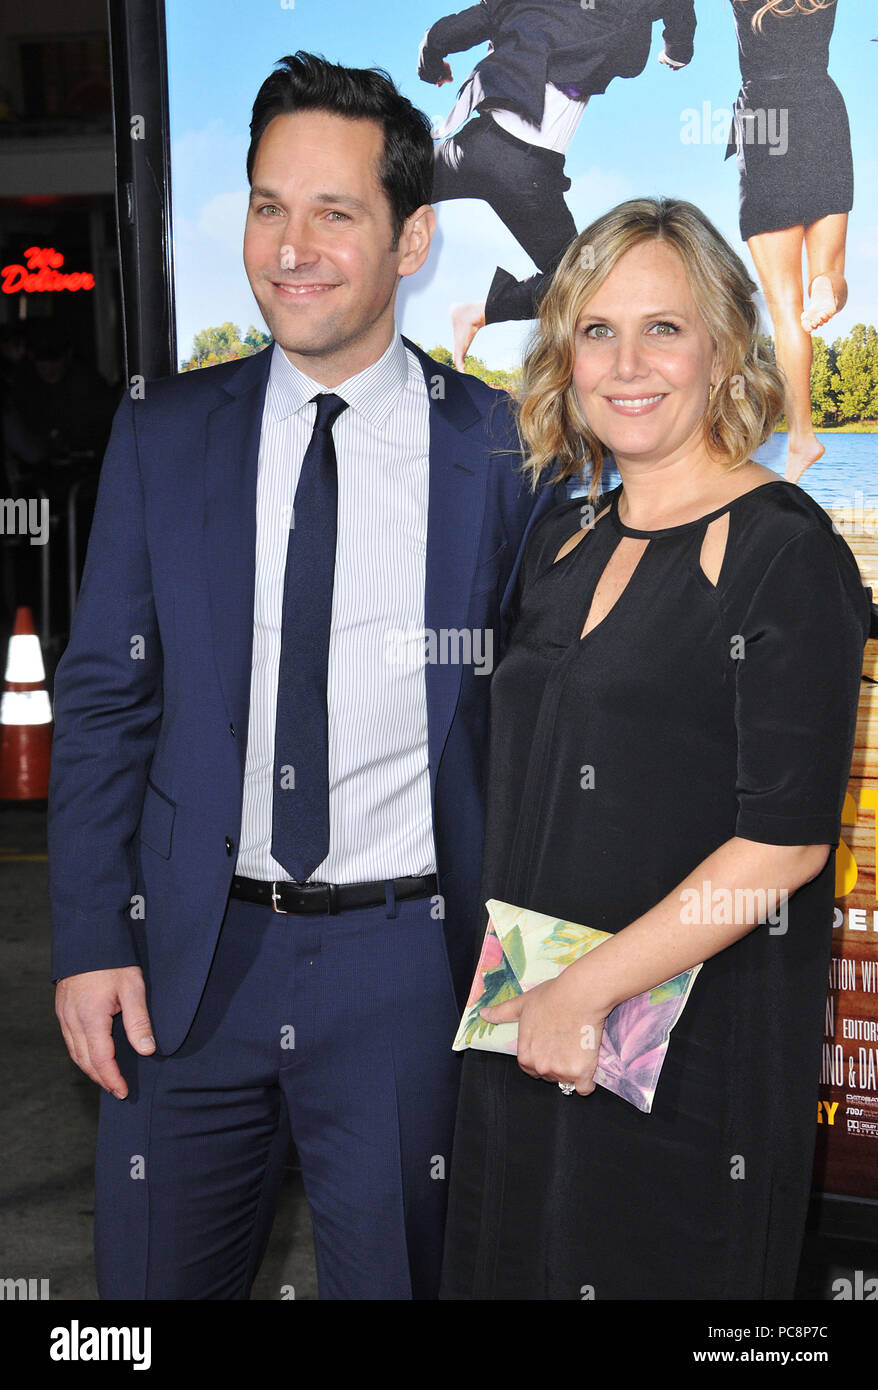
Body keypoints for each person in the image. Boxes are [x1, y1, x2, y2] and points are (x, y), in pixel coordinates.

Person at [48, 52, 559, 1301]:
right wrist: (84, 937)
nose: (291, 245)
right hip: (185, 961)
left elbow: (545, 728)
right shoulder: (162, 432)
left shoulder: (498, 450)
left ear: (413, 239)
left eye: (335, 212)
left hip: (406, 967)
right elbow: (107, 703)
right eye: (269, 206)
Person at [439, 196, 873, 1299]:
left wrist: (582, 995)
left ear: (723, 346)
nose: (626, 362)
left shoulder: (785, 554)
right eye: (595, 329)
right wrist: (544, 1005)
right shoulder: (564, 536)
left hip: (684, 1070)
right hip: (529, 1033)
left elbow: (779, 849)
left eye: (662, 329)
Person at [418, 0, 696, 366]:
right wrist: (676, 51)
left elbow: (440, 35)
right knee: (585, 283)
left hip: (473, 149)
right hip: (529, 177)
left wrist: (433, 67)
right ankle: (480, 311)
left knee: (384, 193)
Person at [725, 0, 852, 483]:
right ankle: (829, 286)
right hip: (823, 109)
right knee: (828, 273)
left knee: (785, 307)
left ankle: (802, 435)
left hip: (765, 117)